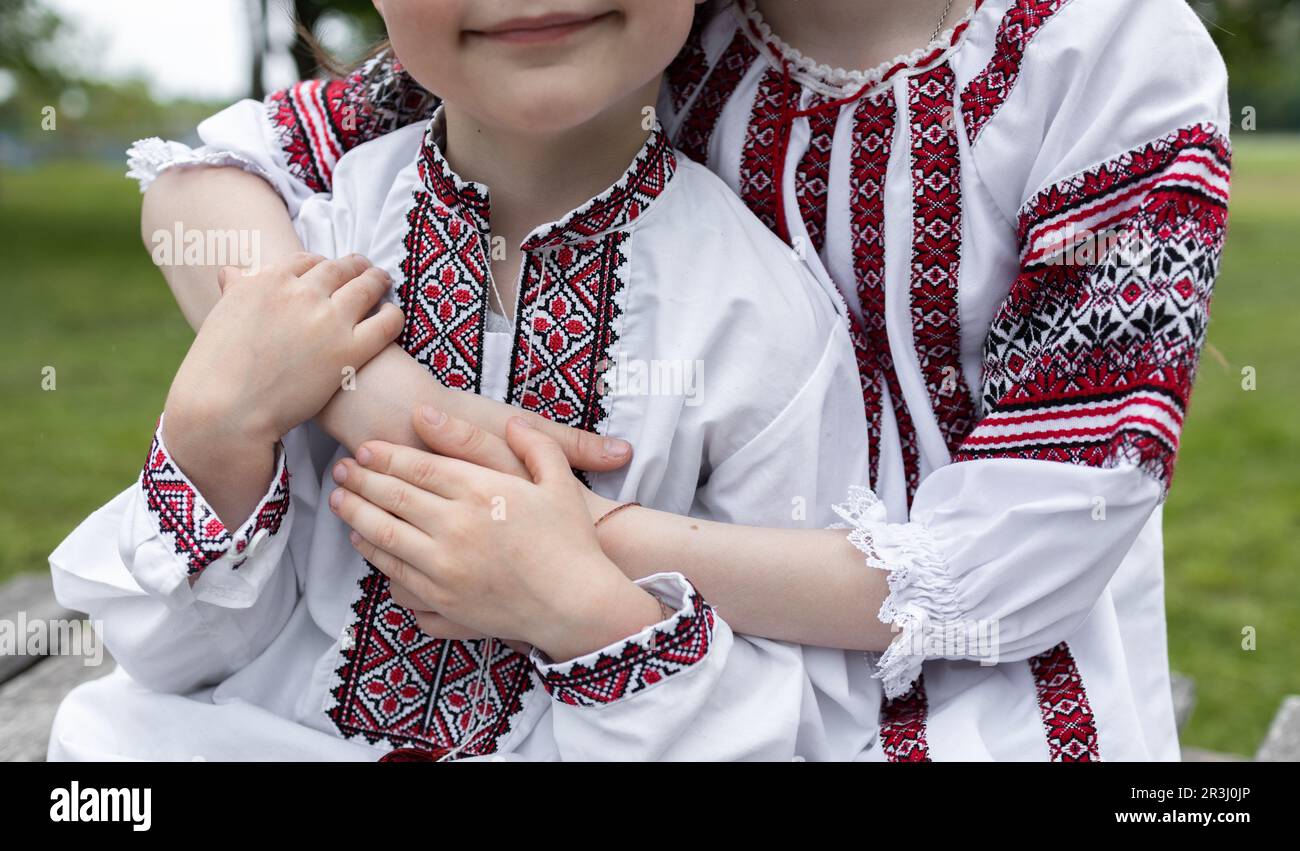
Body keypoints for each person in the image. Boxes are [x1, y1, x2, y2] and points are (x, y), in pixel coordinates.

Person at [72, 0, 1231, 761]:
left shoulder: (1106, 54)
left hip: (953, 684)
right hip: (632, 668)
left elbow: (1027, 555)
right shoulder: (648, 24)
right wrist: (355, 390)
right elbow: (218, 174)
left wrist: (561, 538)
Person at [48, 0, 881, 761]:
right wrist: (212, 435)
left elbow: (815, 725)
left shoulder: (770, 319)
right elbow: (174, 661)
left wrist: (586, 614)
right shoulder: (312, 240)